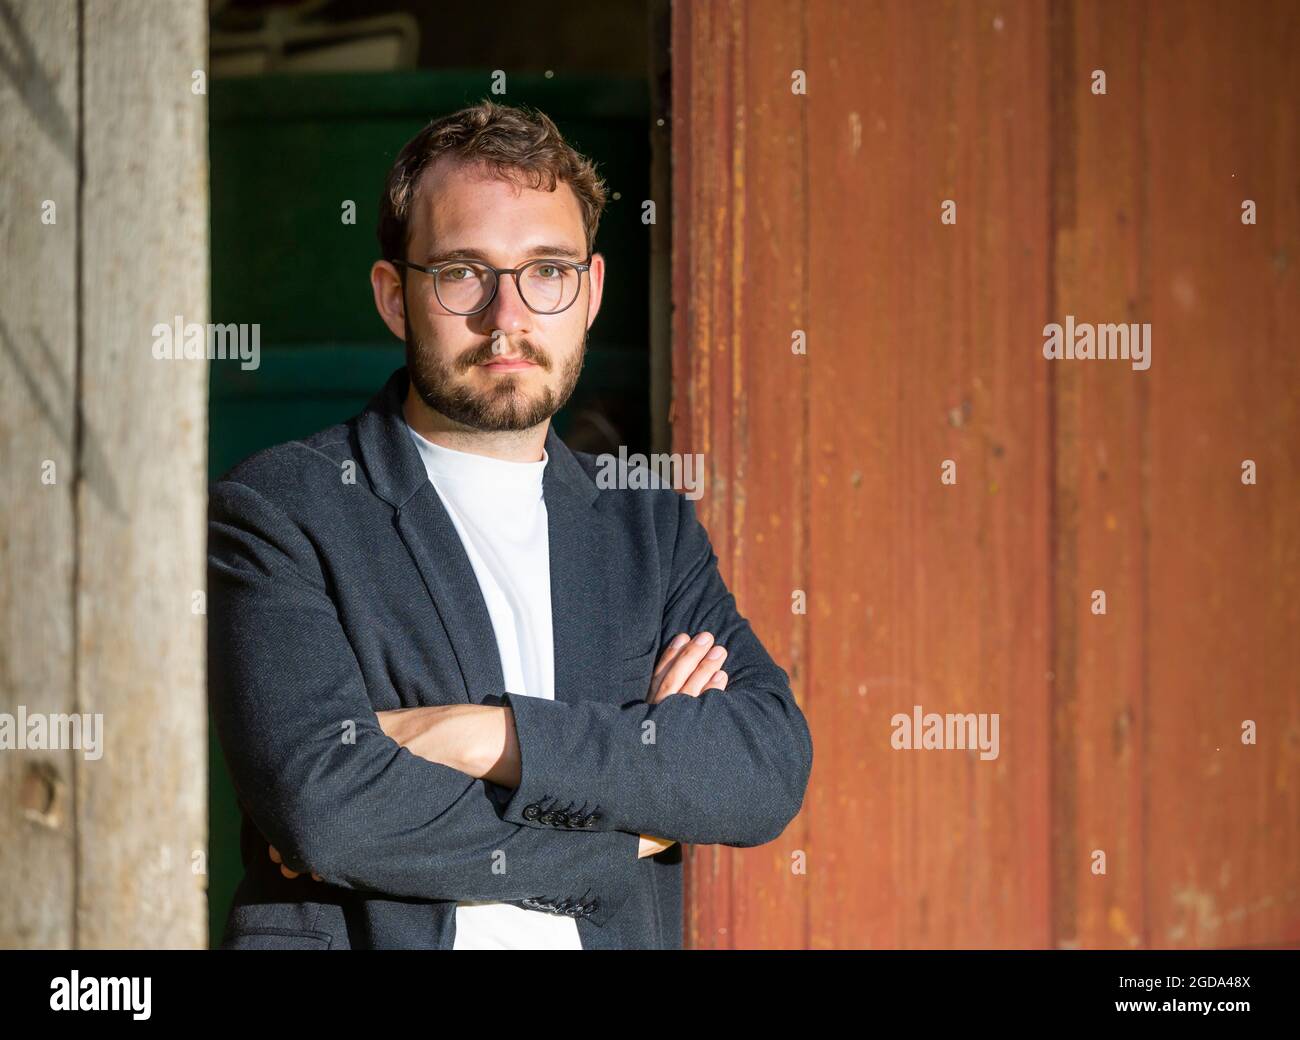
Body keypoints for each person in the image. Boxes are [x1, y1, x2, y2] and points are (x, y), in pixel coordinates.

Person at [208, 99, 813, 949]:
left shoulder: (648, 529)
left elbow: (761, 766)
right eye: (463, 272)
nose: (508, 317)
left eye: (547, 272)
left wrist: (476, 735)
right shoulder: (281, 509)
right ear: (394, 297)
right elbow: (325, 811)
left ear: (590, 291)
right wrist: (629, 832)